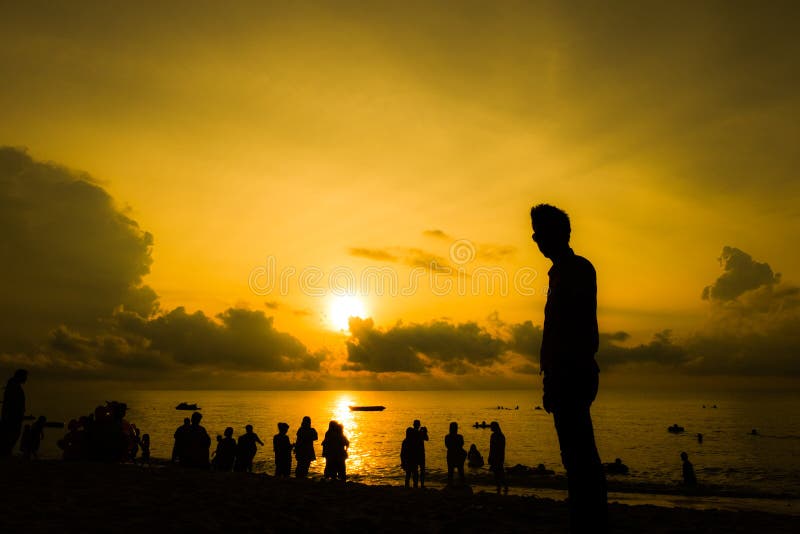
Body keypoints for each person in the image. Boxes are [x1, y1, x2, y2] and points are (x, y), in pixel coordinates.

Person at [531, 204, 608, 533]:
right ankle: (586, 517)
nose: (535, 239)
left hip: (571, 373)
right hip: (566, 373)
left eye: (538, 233)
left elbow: (574, 329)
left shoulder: (576, 270)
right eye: (534, 233)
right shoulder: (562, 271)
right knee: (575, 455)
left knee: (580, 456)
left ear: (556, 234)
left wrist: (559, 374)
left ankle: (590, 520)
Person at [0, 369, 28, 456]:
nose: (26, 379)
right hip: (12, 418)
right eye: (25, 377)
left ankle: (6, 453)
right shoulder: (13, 387)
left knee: (12, 436)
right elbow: (8, 404)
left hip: (14, 417)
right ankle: (5, 453)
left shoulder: (14, 386)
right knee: (10, 436)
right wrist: (6, 416)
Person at [488, 421, 508, 494]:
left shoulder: (500, 436)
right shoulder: (495, 435)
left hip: (498, 456)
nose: (490, 427)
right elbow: (491, 447)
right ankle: (499, 486)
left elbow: (500, 448)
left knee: (500, 472)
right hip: (495, 456)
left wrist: (498, 457)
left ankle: (503, 486)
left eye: (491, 426)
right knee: (496, 473)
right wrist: (490, 456)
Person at [444, 422, 466, 487]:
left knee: (451, 472)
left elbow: (447, 446)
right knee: (460, 471)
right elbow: (461, 445)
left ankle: (450, 485)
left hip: (451, 455)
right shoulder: (460, 437)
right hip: (458, 455)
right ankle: (462, 485)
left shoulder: (447, 437)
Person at [413, 419, 428, 487]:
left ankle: (416, 484)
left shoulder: (413, 432)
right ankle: (421, 484)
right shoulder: (419, 433)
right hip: (420, 453)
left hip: (415, 453)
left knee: (416, 470)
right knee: (421, 470)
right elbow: (427, 438)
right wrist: (424, 432)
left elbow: (426, 438)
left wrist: (424, 432)